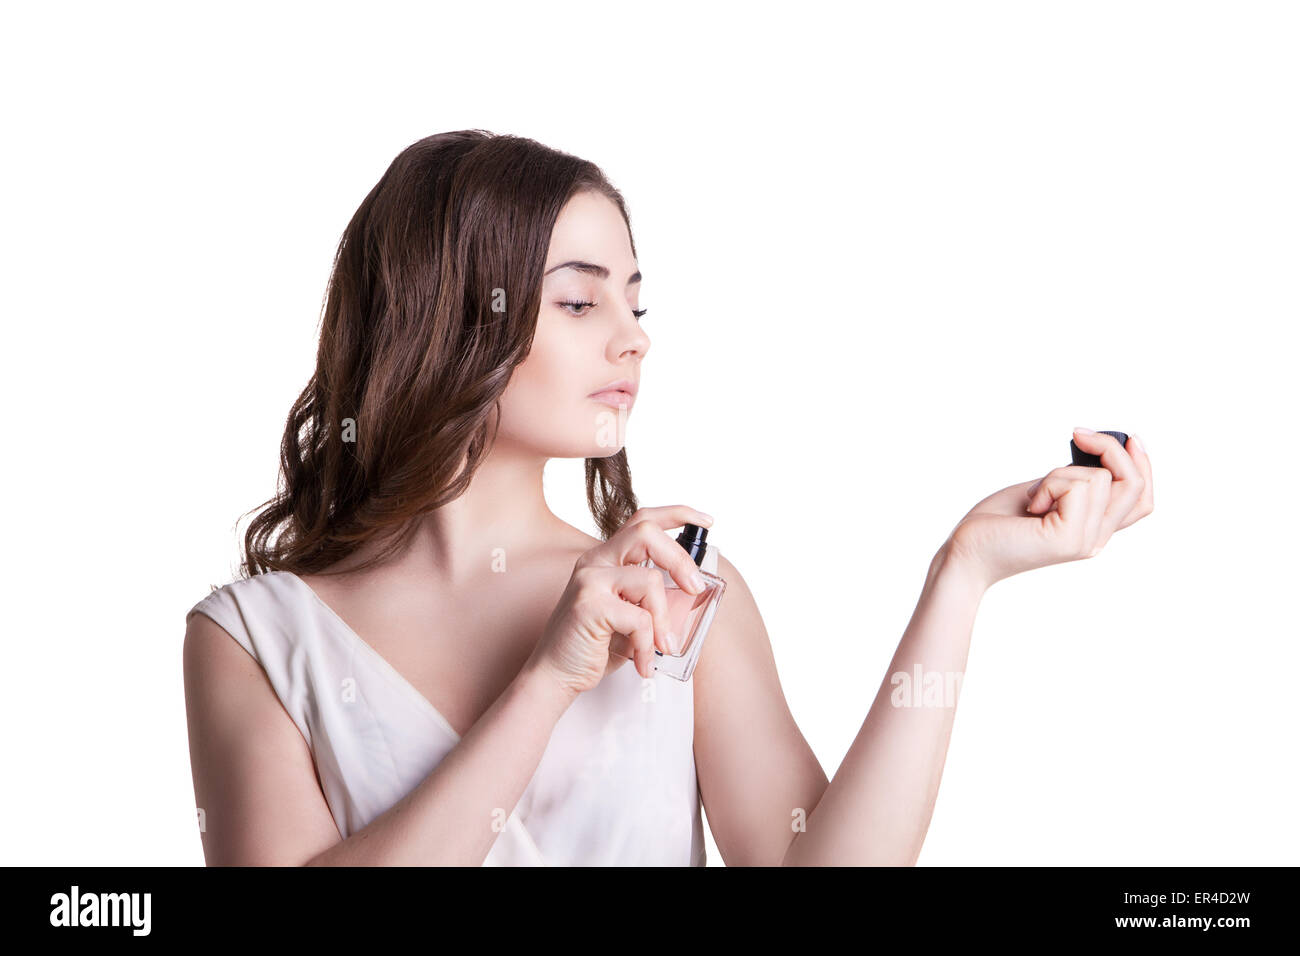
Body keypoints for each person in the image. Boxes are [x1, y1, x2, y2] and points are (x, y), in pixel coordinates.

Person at [182, 130, 1155, 866]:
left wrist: (962, 572)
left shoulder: (677, 592)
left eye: (635, 303)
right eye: (579, 300)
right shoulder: (255, 638)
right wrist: (546, 682)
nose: (632, 337)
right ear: (440, 315)